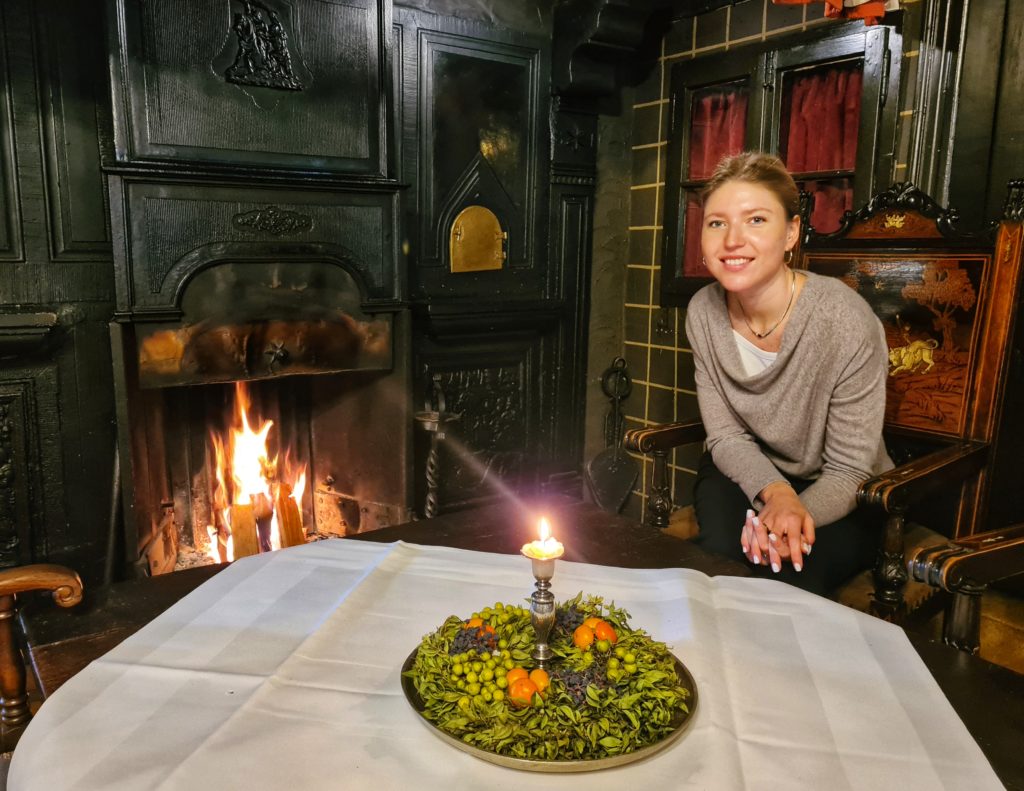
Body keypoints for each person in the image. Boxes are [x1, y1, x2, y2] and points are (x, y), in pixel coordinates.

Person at [686, 152, 892, 595]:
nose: (732, 240)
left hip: (842, 488)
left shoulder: (843, 319)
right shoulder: (702, 311)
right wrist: (774, 493)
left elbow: (850, 469)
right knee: (719, 561)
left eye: (756, 220)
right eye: (716, 223)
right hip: (751, 471)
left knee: (789, 572)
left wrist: (788, 513)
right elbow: (725, 437)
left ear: (791, 233)